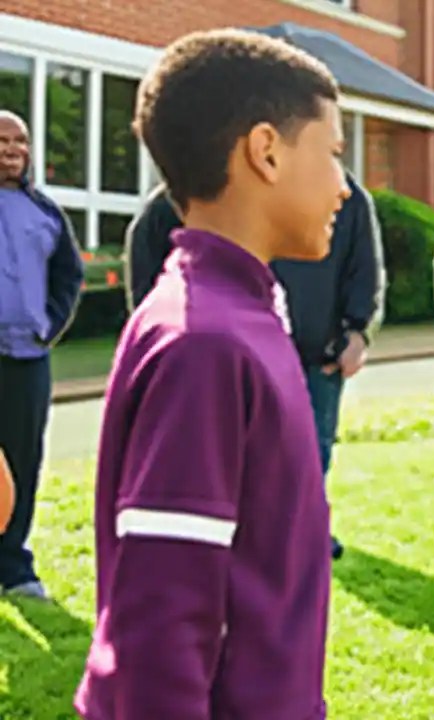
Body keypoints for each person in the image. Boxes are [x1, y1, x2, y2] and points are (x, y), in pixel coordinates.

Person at [75, 29, 347, 717]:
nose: (346, 187)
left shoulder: (237, 310)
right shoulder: (204, 341)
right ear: (266, 151)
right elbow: (159, 632)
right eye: (335, 154)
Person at [125, 167, 384, 564]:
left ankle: (303, 531)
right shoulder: (202, 191)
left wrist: (357, 331)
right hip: (231, 357)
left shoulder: (346, 195)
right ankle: (248, 538)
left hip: (316, 358)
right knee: (231, 454)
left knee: (310, 454)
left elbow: (364, 266)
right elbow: (146, 263)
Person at [0, 109, 84, 601]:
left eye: (21, 142)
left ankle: (13, 566)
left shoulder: (46, 213)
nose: (13, 150)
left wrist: (48, 326)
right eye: (3, 141)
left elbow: (68, 278)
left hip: (27, 359)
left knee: (22, 460)